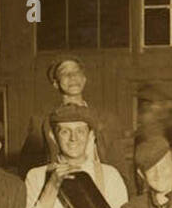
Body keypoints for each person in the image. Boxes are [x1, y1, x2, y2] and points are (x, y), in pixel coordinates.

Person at [18, 57, 130, 193]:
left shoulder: (106, 120)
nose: (72, 77)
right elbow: (26, 167)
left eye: (77, 72)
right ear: (55, 83)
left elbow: (120, 165)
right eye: (65, 73)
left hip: (102, 188)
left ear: (84, 79)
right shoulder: (42, 122)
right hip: (59, 189)